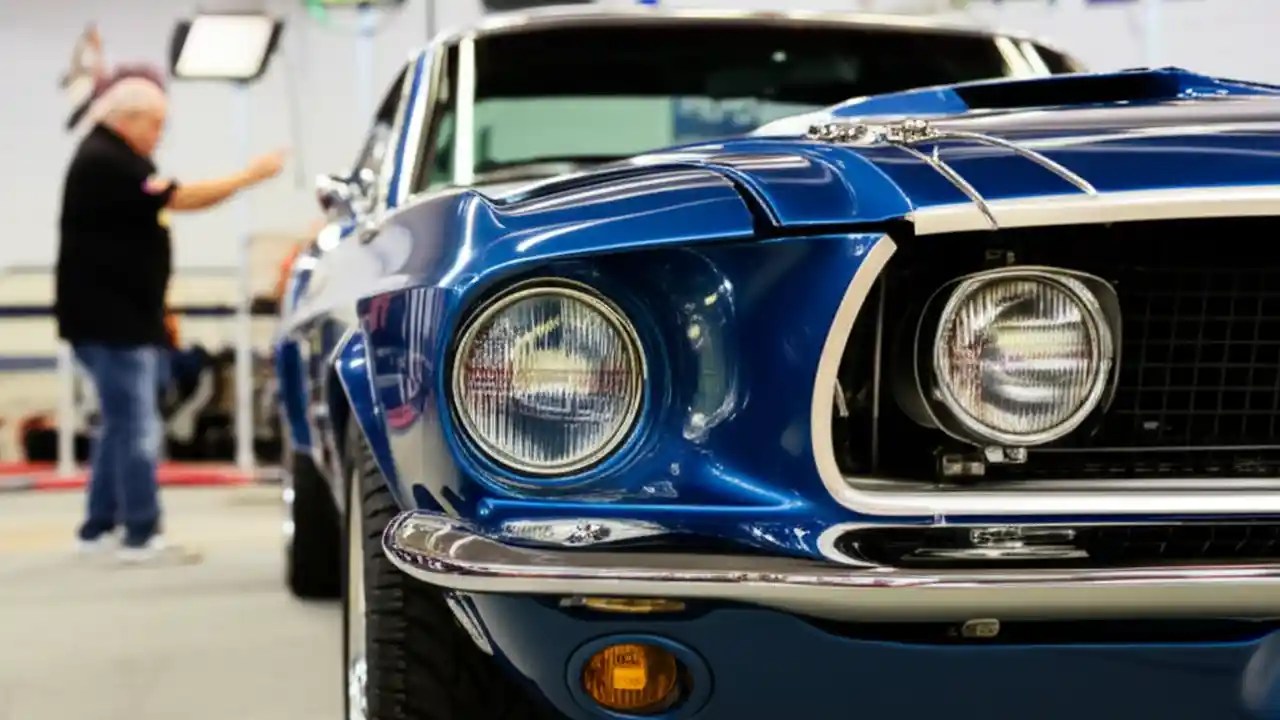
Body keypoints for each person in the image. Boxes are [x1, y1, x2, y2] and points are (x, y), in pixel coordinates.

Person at [55, 73, 285, 563]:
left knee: (118, 426)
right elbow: (183, 198)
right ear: (128, 118)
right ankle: (141, 532)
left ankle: (98, 526)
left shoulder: (114, 158)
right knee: (137, 426)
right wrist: (251, 176)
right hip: (111, 322)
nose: (160, 134)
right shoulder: (108, 161)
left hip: (120, 317)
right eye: (156, 124)